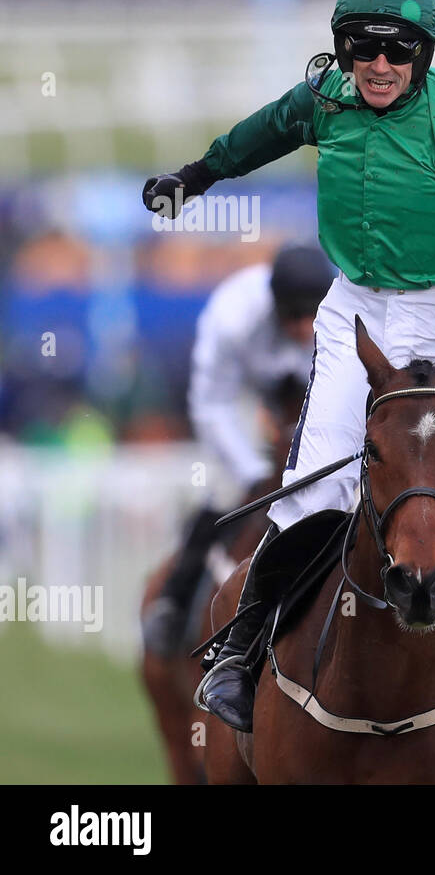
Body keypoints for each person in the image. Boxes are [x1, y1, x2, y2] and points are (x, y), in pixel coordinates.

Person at [141, 0, 435, 764]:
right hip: (353, 307)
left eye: (396, 51)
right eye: (362, 48)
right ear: (343, 51)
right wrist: (198, 174)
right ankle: (241, 654)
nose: (379, 66)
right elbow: (264, 131)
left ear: (422, 54)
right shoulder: (328, 98)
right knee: (301, 496)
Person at [141, 245, 333, 656]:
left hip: (308, 394)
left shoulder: (342, 312)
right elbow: (211, 406)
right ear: (275, 305)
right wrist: (252, 473)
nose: (304, 327)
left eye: (312, 315)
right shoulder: (233, 318)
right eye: (294, 316)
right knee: (226, 487)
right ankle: (174, 601)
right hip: (240, 399)